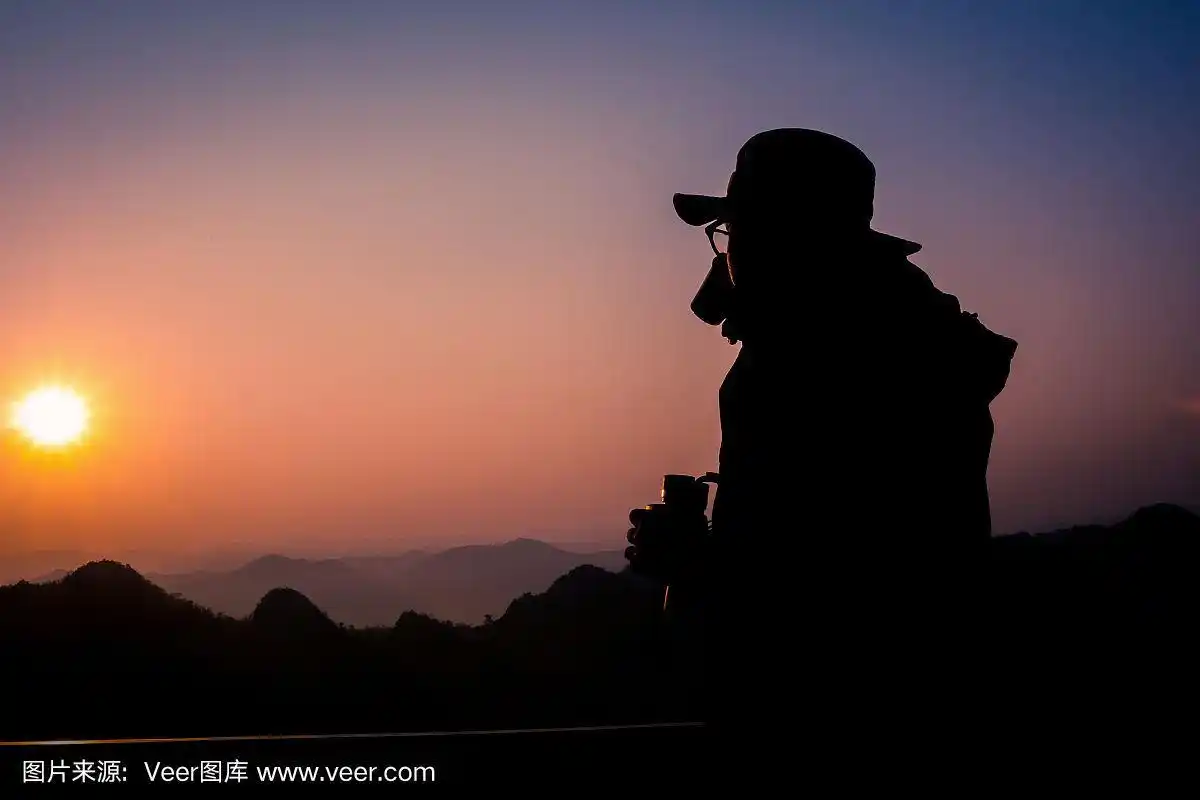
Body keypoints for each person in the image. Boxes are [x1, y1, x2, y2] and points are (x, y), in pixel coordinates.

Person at [665, 128, 1018, 748]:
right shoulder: (889, 337)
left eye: (736, 229)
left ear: (793, 238)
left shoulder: (832, 361)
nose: (727, 251)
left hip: (837, 719)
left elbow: (820, 583)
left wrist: (697, 563)